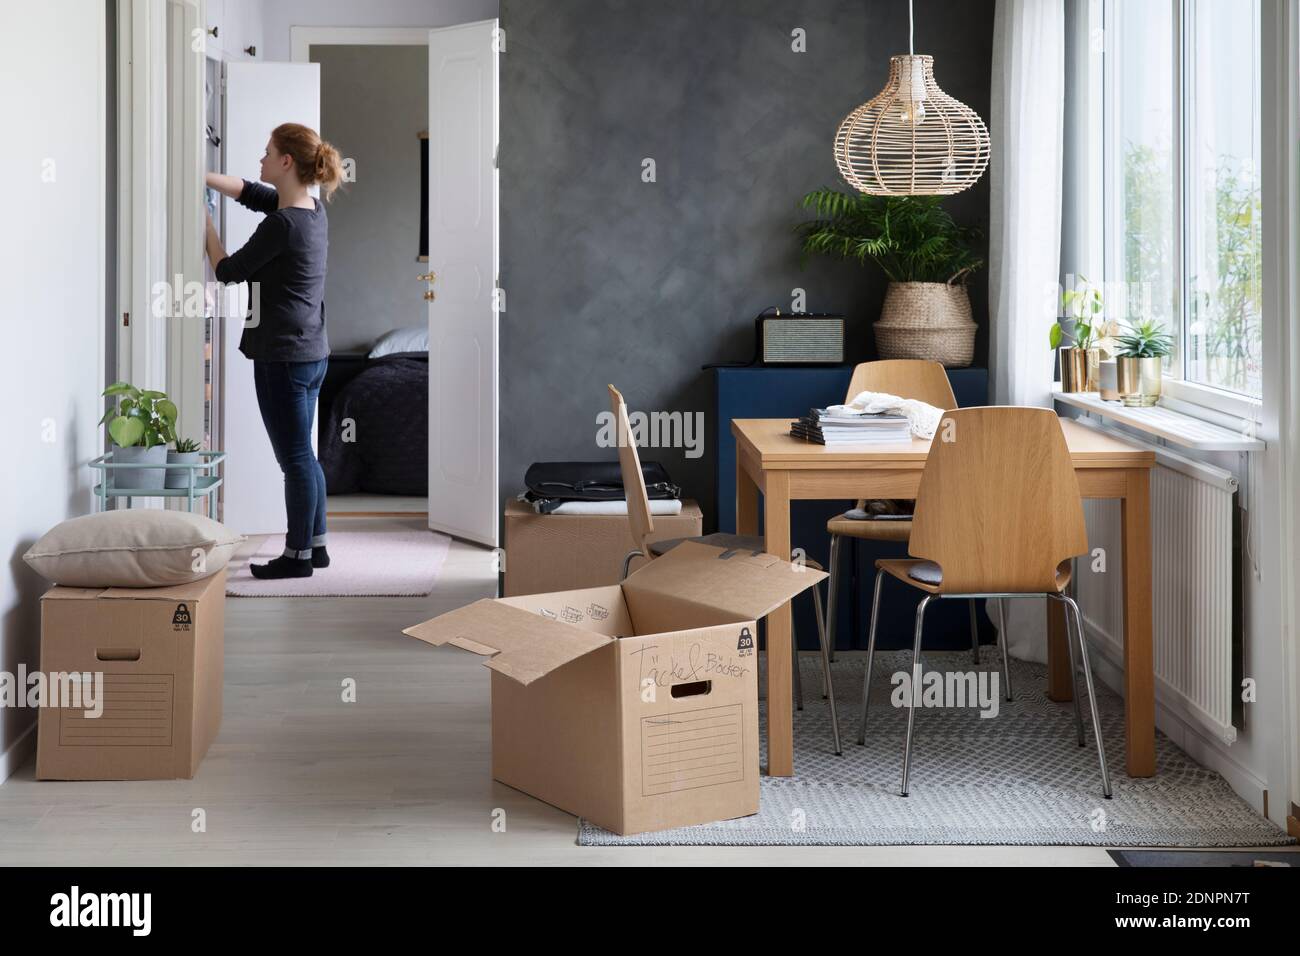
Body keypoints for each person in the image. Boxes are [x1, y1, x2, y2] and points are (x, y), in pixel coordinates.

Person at [204, 123, 343, 579]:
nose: (260, 162)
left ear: (286, 162)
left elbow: (227, 271)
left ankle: (297, 556)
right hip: (312, 353)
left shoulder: (282, 226)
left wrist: (202, 221)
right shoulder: (311, 211)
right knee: (305, 455)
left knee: (295, 460)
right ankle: (315, 546)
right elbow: (252, 193)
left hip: (284, 357)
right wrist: (201, 177)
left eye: (267, 154)